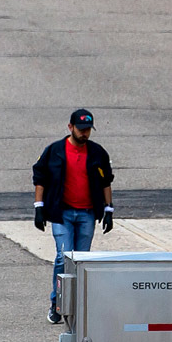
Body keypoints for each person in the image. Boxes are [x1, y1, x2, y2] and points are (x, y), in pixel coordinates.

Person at [31, 108, 113, 325]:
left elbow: (106, 181)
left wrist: (108, 210)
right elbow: (40, 177)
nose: (84, 133)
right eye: (81, 129)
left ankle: (77, 305)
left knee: (81, 261)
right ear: (70, 127)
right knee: (63, 258)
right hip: (62, 214)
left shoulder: (97, 153)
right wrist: (39, 207)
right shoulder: (55, 151)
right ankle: (57, 304)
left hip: (87, 214)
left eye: (88, 129)